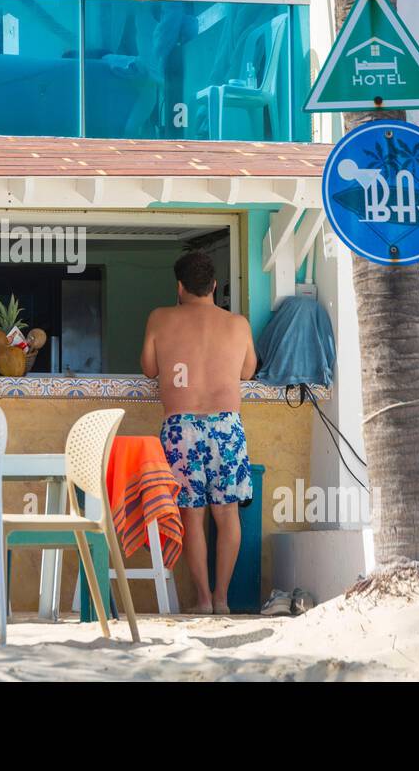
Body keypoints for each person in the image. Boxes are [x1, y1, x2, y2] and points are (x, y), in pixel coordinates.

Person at [140, 250, 257, 614]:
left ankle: (203, 600)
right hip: (226, 425)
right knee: (228, 514)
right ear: (214, 286)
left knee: (191, 515)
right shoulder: (238, 324)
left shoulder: (160, 318)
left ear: (179, 286)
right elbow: (249, 372)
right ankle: (222, 599)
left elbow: (148, 369)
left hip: (181, 427)